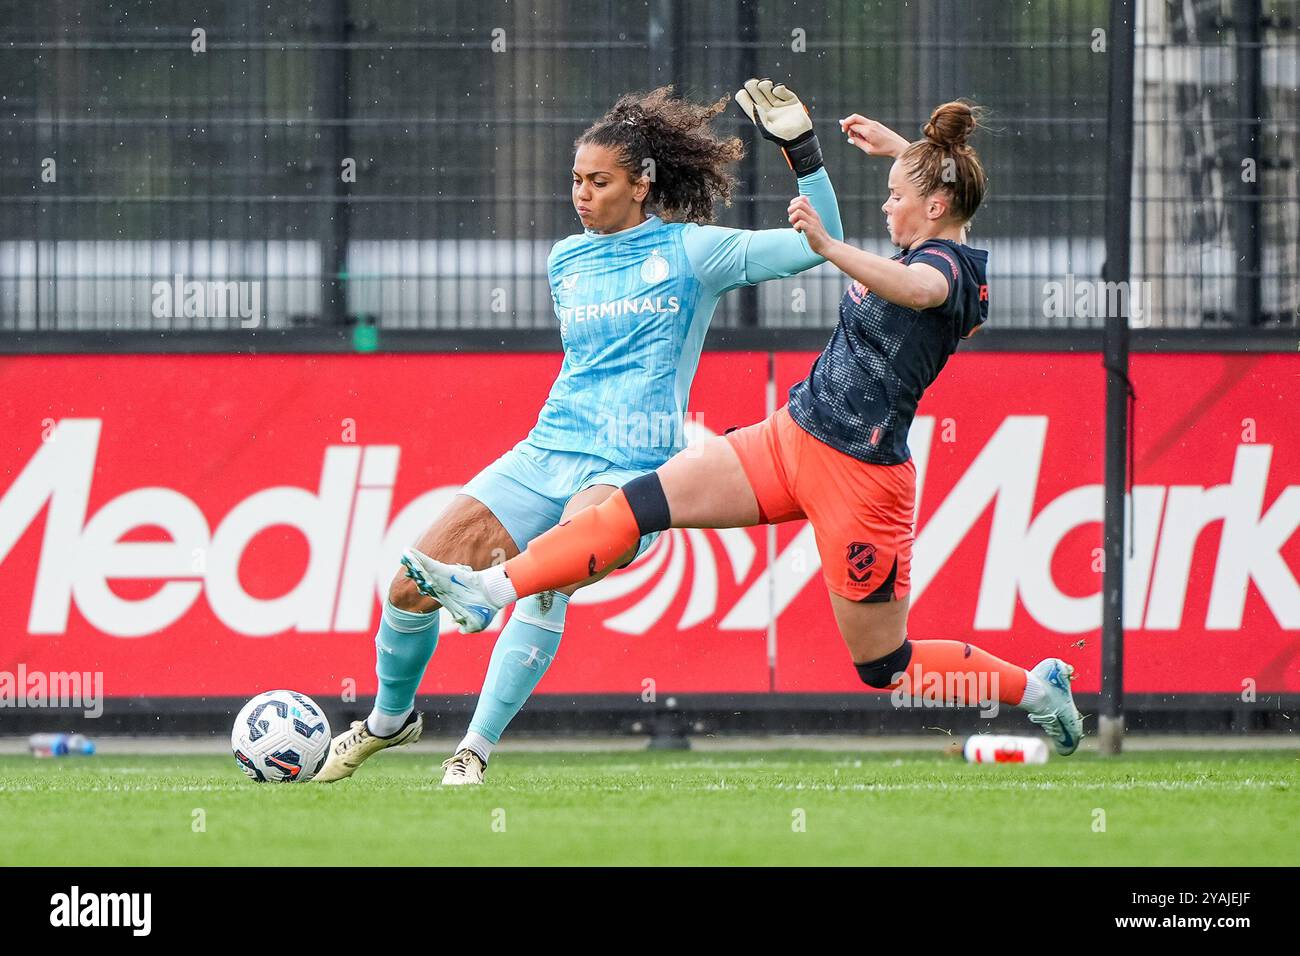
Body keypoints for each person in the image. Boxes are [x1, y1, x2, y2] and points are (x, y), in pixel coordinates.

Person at [406, 101, 1086, 757]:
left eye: (894, 196)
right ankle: (488, 590)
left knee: (885, 666)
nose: (886, 207)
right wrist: (895, 149)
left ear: (935, 207)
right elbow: (928, 195)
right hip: (791, 436)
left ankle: (1036, 688)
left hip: (860, 476)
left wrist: (827, 244)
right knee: (636, 504)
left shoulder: (950, 270)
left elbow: (920, 291)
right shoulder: (933, 221)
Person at [315, 80, 845, 785]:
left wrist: (803, 153)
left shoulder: (695, 253)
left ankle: (472, 749)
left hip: (630, 467)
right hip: (546, 451)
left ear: (641, 183)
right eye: (576, 180)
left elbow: (823, 245)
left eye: (599, 181)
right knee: (412, 584)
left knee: (548, 578)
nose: (582, 194)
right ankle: (389, 721)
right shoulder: (564, 259)